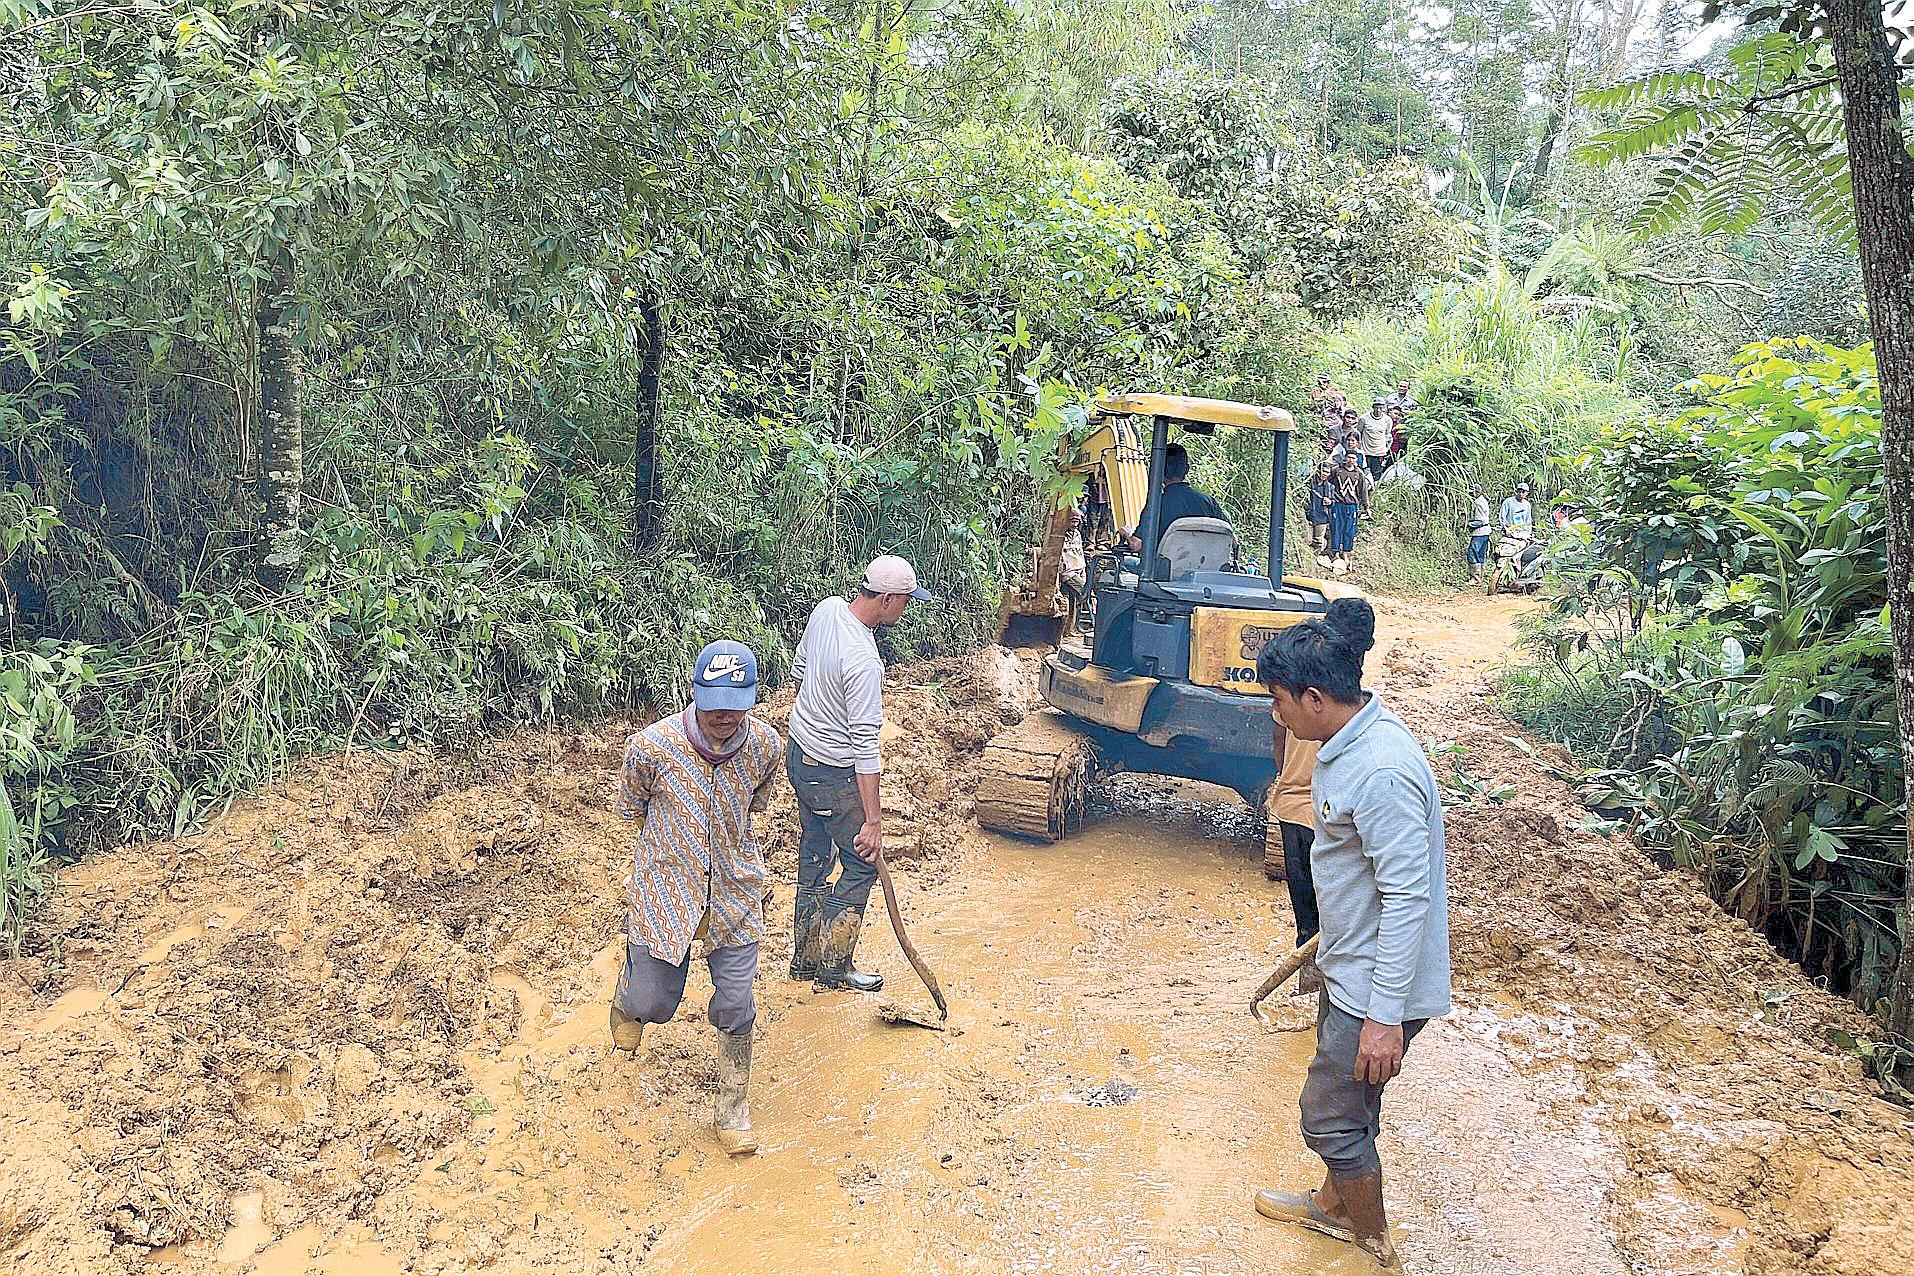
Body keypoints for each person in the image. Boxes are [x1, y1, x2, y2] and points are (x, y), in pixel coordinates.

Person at [1250, 598, 1451, 1270]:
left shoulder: (1383, 771)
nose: (1275, 715)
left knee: (1328, 1115)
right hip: (1352, 965)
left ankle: (1371, 1247)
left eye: (1279, 702)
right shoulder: (1354, 739)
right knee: (1354, 1104)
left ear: (1313, 698)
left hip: (1375, 986)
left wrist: (1383, 1018)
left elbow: (1406, 898)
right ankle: (1335, 1206)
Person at [610, 640, 783, 1156]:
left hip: (733, 893)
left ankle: (733, 1107)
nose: (725, 716)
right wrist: (675, 854)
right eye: (714, 704)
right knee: (655, 1001)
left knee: (737, 1002)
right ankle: (627, 1001)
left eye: (737, 704)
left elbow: (757, 800)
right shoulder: (651, 747)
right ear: (695, 694)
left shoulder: (765, 746)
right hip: (667, 893)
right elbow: (632, 806)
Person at [786, 555, 933, 994]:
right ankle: (833, 967)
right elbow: (865, 750)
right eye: (905, 601)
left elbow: (799, 671)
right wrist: (873, 821)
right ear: (886, 599)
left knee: (815, 853)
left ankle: (804, 961)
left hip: (800, 757)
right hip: (833, 774)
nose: (906, 608)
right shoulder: (865, 662)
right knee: (859, 862)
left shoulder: (827, 609)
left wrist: (812, 724)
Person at [1268, 715, 1323, 997]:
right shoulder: (1346, 704)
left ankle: (1308, 990)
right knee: (1334, 914)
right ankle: (1329, 998)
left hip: (1292, 809)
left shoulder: (1289, 695)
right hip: (1328, 816)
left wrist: (1287, 776)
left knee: (1306, 914)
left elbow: (1278, 740)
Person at [1126, 442, 1228, 552]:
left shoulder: (1156, 504)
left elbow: (1137, 545)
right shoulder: (1208, 502)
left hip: (1164, 568)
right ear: (1187, 470)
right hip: (1206, 568)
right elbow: (1230, 537)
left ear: (1158, 471)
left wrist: (1127, 534)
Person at [1325, 452, 1370, 575]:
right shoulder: (1337, 470)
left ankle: (1345, 553)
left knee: (1349, 531)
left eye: (1353, 458)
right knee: (1336, 528)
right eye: (1349, 457)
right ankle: (1335, 553)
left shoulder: (1359, 474)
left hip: (1352, 506)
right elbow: (1326, 481)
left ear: (1356, 460)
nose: (1351, 460)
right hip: (1338, 504)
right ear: (1345, 458)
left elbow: (1363, 491)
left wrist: (1367, 507)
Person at [1304, 462, 1334, 568]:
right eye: (1323, 471)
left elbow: (1334, 502)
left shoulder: (1330, 487)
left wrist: (1330, 502)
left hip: (1322, 517)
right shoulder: (1309, 483)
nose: (1325, 474)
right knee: (1308, 539)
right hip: (1309, 515)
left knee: (1318, 540)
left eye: (1327, 472)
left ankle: (1314, 559)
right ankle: (1306, 559)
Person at [1356, 399, 1393, 479]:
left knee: (1377, 474)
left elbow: (1387, 435)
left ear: (1384, 408)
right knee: (1364, 473)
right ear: (1373, 407)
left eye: (1381, 408)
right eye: (1376, 408)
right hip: (1366, 451)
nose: (1378, 410)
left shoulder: (1387, 420)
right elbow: (1358, 433)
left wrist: (1386, 449)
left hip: (1379, 452)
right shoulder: (1364, 418)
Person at [1466, 483, 1492, 583]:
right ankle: (1480, 577)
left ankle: (1475, 578)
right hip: (1485, 532)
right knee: (1480, 554)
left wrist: (1468, 524)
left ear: (1476, 492)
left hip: (1480, 532)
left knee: (1472, 553)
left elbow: (1480, 520)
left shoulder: (1478, 502)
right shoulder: (1483, 500)